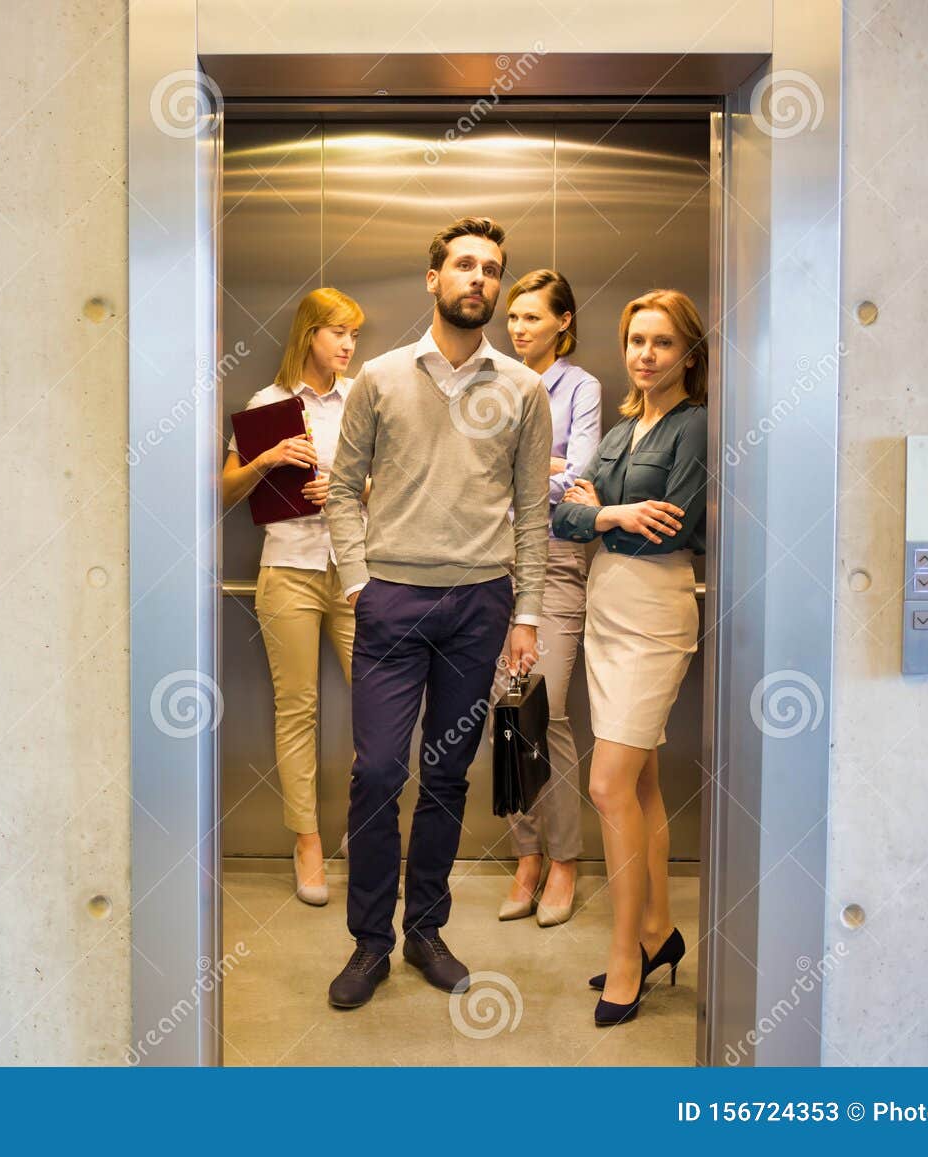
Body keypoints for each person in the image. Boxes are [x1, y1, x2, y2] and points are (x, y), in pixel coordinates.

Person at [322, 217, 551, 1009]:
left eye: (491, 268)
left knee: (447, 774)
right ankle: (369, 942)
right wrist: (359, 582)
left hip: (480, 604)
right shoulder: (379, 378)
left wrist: (527, 614)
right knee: (379, 772)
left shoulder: (522, 389)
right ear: (434, 278)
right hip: (391, 599)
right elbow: (342, 488)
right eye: (463, 264)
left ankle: (424, 929)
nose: (477, 278)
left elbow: (532, 511)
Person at [551, 288, 708, 1025]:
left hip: (654, 614)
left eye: (663, 342)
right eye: (636, 341)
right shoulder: (620, 430)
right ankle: (656, 931)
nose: (646, 355)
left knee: (607, 783)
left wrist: (596, 513)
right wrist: (611, 513)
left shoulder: (696, 426)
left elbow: (674, 525)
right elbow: (564, 513)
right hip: (605, 608)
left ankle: (626, 958)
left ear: (689, 354)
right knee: (640, 784)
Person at [222, 288, 366, 906]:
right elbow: (225, 490)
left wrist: (349, 488)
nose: (349, 344)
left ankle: (367, 830)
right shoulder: (270, 403)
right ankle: (307, 841)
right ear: (310, 334)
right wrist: (270, 458)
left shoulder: (363, 396)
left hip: (356, 571)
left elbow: (398, 479)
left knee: (380, 706)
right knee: (297, 708)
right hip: (289, 568)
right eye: (339, 332)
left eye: (354, 334)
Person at [496, 269, 601, 928]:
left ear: (563, 322)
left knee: (549, 708)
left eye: (532, 317)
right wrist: (544, 469)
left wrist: (525, 474)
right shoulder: (494, 382)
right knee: (508, 712)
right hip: (491, 562)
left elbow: (581, 476)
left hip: (556, 559)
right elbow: (472, 471)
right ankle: (527, 856)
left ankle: (565, 858)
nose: (518, 328)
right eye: (513, 317)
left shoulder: (580, 387)